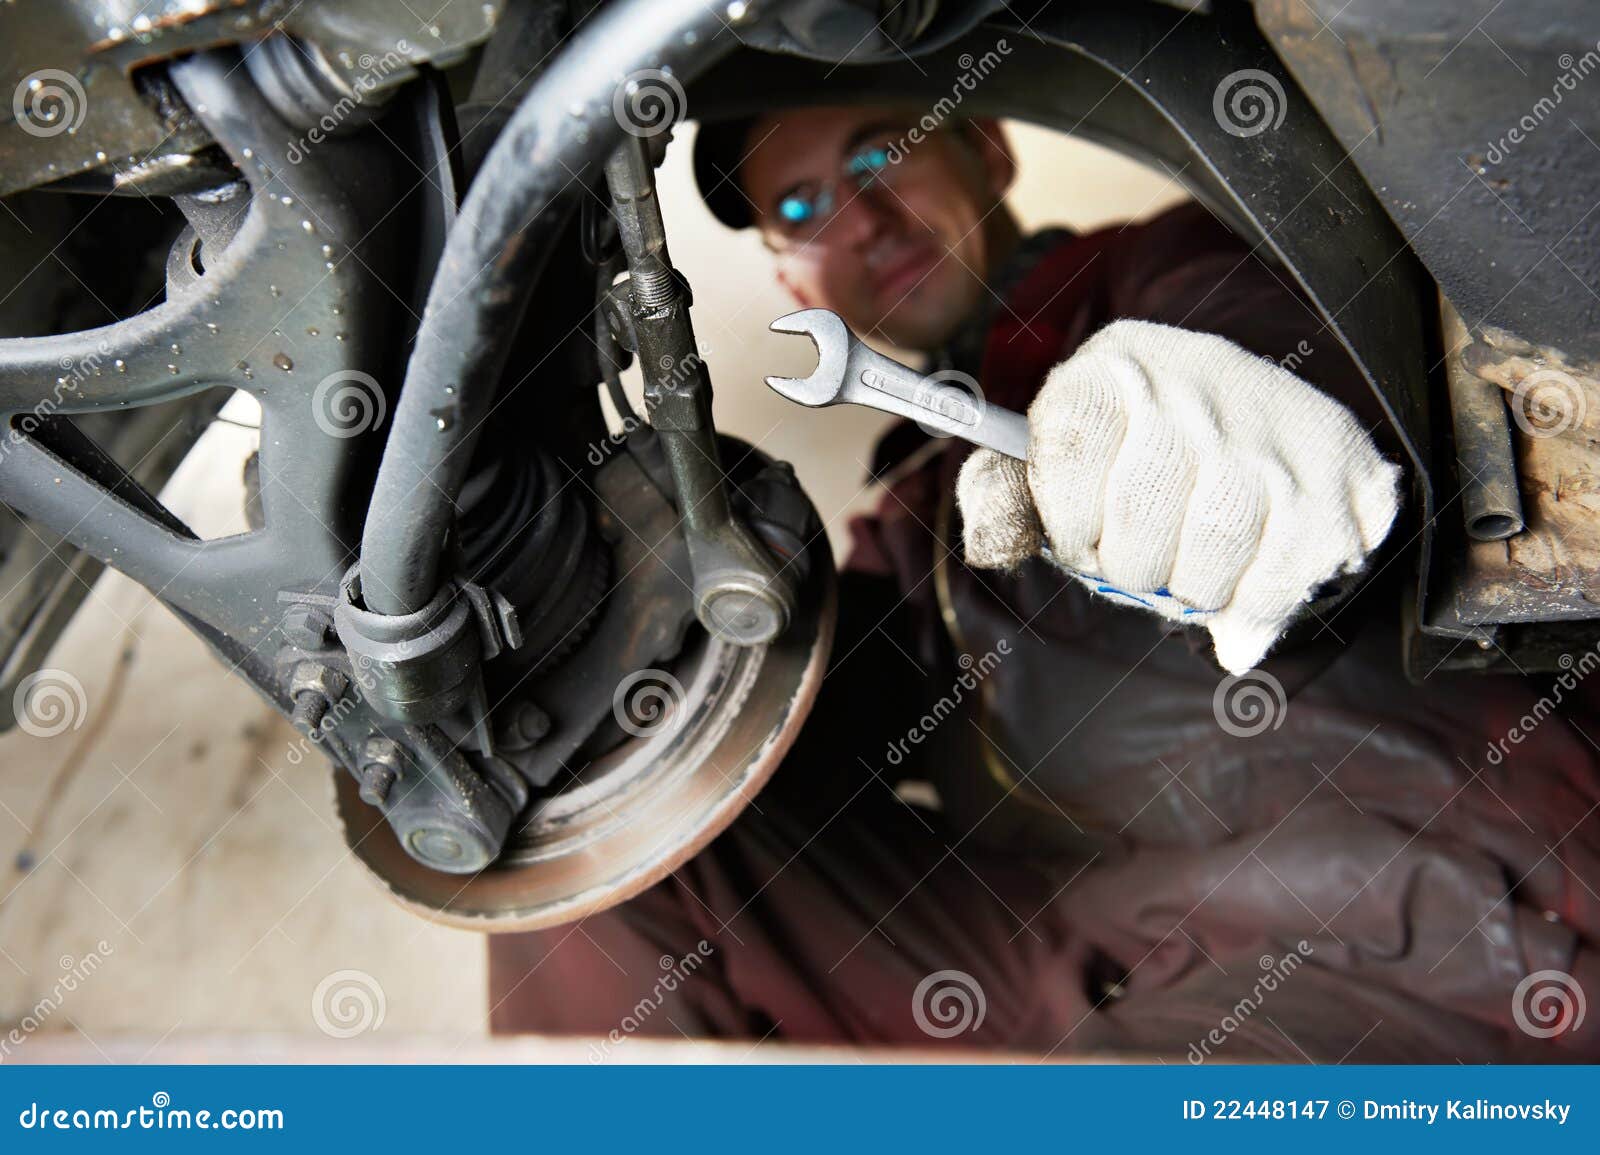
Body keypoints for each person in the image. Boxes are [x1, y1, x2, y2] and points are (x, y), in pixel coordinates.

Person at [487, 108, 1600, 1060]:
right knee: (597, 839)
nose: (859, 220)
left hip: (1401, 917)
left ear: (987, 151)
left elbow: (1265, 363)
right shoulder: (909, 534)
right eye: (800, 209)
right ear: (793, 281)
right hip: (1081, 948)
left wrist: (1222, 426)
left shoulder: (1177, 272)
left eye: (882, 155)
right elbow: (793, 715)